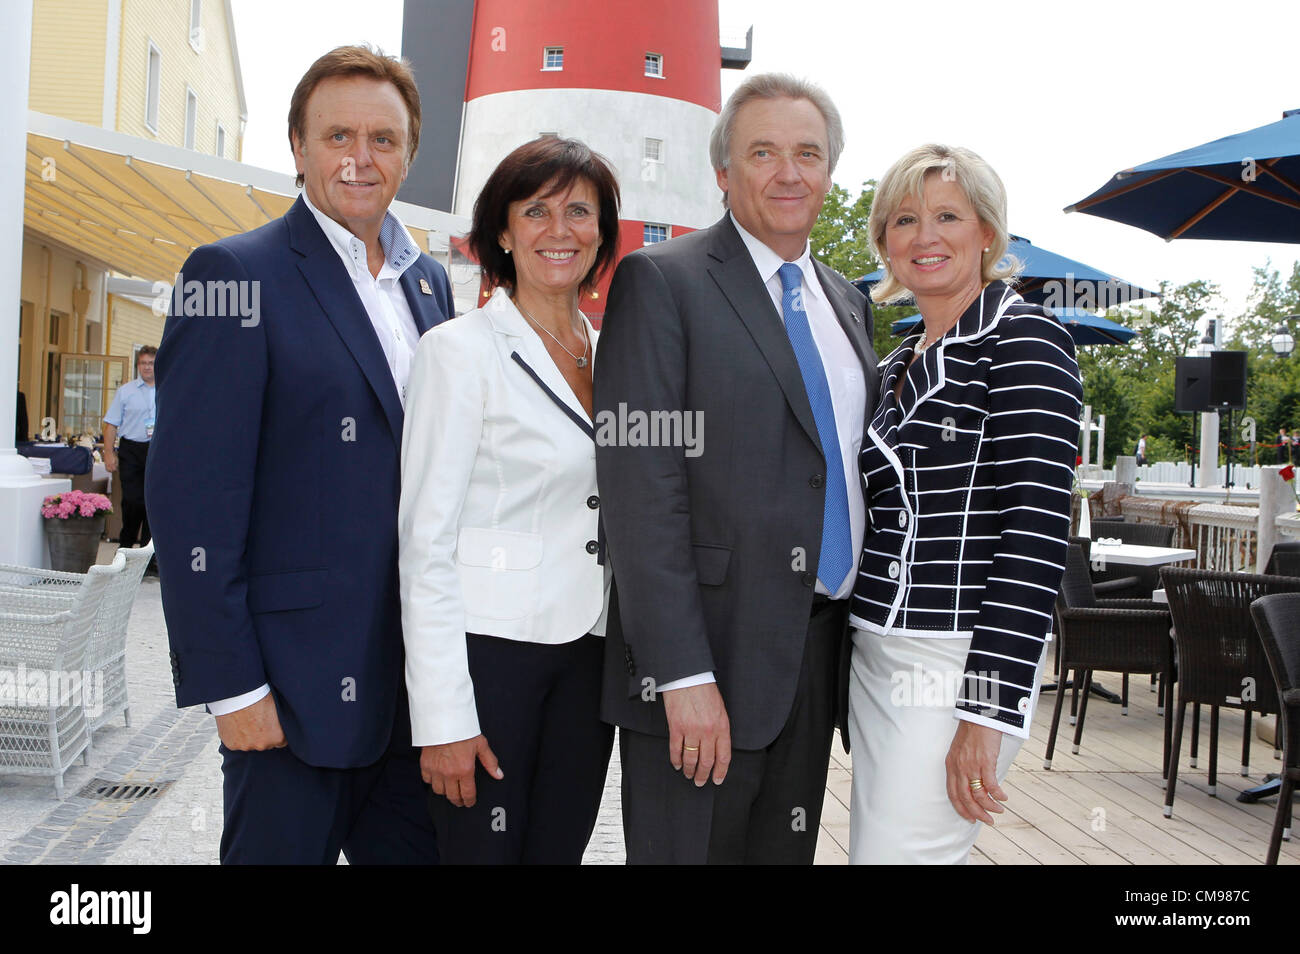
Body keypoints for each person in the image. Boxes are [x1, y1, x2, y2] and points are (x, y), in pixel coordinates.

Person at [145, 45, 453, 864]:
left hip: (415, 700)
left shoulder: (431, 287)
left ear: (410, 152)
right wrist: (233, 689)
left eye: (383, 140)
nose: (361, 158)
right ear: (298, 148)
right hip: (290, 699)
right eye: (338, 136)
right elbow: (189, 502)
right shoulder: (233, 275)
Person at [595, 73, 878, 864]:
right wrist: (681, 673)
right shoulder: (662, 282)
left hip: (816, 659)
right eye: (763, 152)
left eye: (808, 154)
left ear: (829, 172)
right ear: (723, 171)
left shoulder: (848, 303)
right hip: (703, 667)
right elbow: (639, 491)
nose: (789, 172)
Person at [848, 144, 1083, 864]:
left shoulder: (1027, 340)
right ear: (884, 241)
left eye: (948, 216)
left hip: (954, 662)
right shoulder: (893, 360)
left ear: (986, 231)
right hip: (874, 657)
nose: (925, 237)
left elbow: (1036, 536)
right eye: (904, 220)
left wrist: (987, 708)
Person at [398, 137, 619, 864]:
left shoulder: (617, 354)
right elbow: (424, 543)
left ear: (602, 232)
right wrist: (441, 718)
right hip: (490, 660)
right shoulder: (459, 351)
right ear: (502, 230)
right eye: (537, 210)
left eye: (580, 211)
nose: (561, 230)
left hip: (591, 654)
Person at [102, 346, 155, 552]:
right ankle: (126, 546)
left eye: (151, 363)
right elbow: (111, 424)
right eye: (143, 363)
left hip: (156, 451)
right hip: (131, 450)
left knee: (153, 502)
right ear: (138, 365)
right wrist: (108, 453)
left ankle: (148, 553)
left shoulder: (166, 389)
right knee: (133, 500)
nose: (147, 367)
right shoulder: (126, 391)